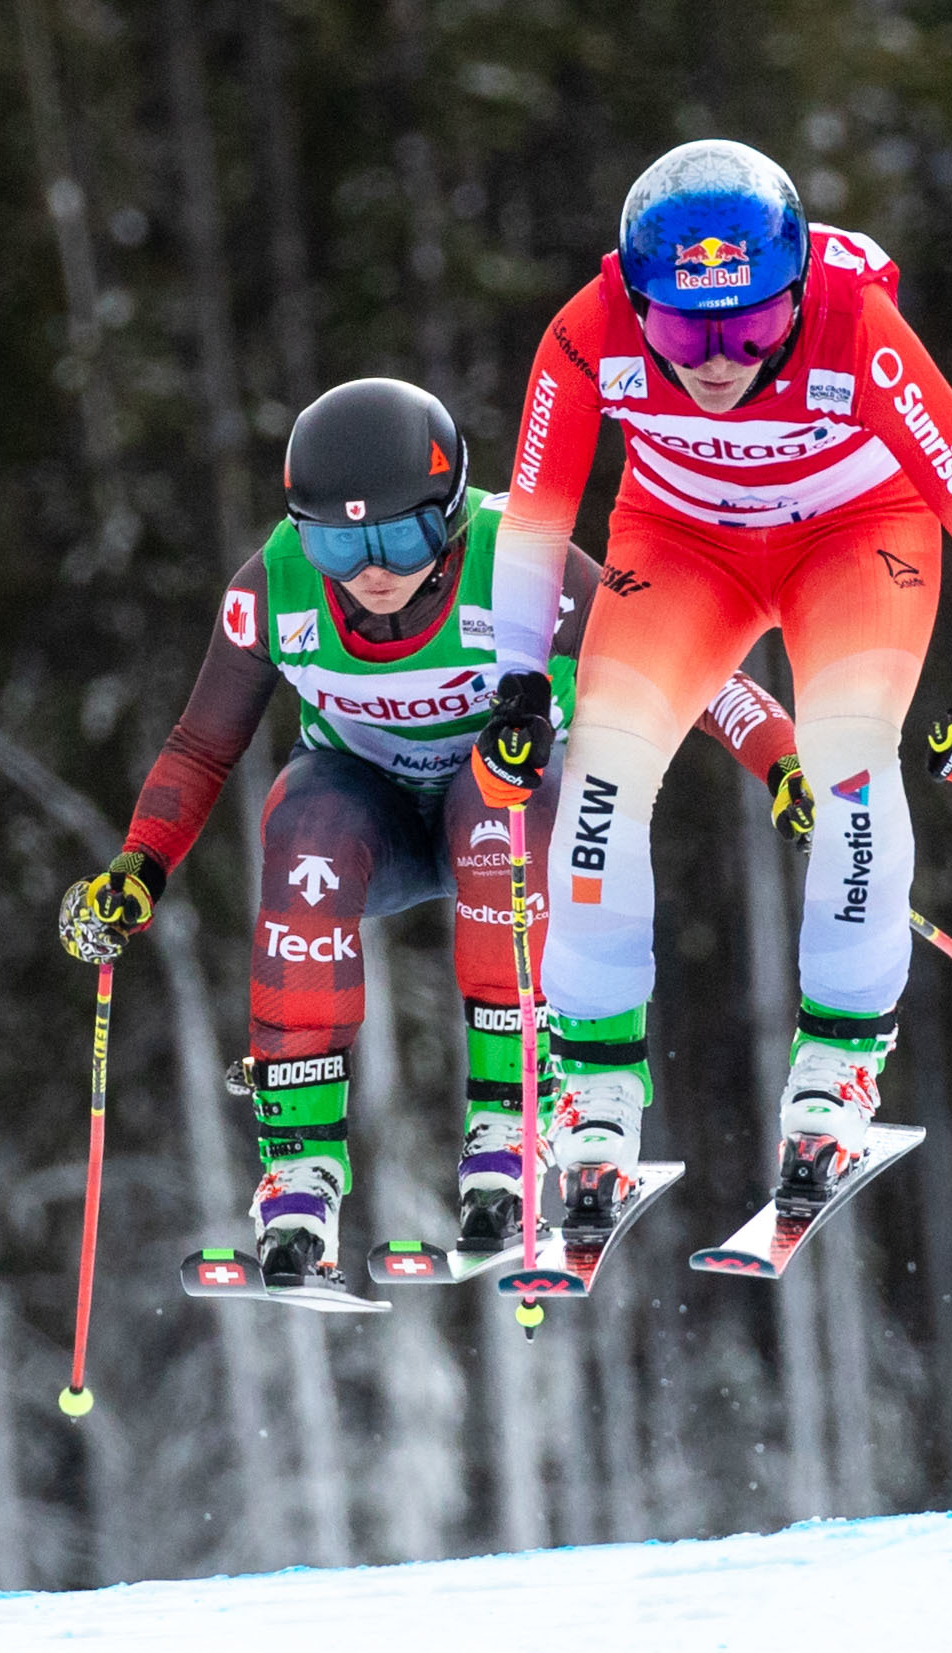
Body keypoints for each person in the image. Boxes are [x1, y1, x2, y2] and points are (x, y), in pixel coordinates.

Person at [56, 377, 811, 1293]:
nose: (371, 571)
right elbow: (201, 745)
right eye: (339, 542)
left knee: (493, 809)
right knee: (304, 832)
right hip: (371, 816)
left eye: (400, 537)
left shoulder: (520, 562)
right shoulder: (274, 587)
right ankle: (298, 1177)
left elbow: (684, 664)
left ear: (451, 516)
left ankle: (509, 1132)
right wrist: (139, 867)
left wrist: (784, 764)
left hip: (504, 809)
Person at [492, 139, 952, 1210]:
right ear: (631, 299)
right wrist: (518, 684)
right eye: (679, 325)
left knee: (844, 752)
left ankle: (837, 1064)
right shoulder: (584, 333)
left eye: (747, 325)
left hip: (853, 540)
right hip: (678, 544)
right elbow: (534, 523)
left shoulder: (858, 331)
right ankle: (595, 1084)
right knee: (599, 765)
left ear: (795, 293)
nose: (712, 358)